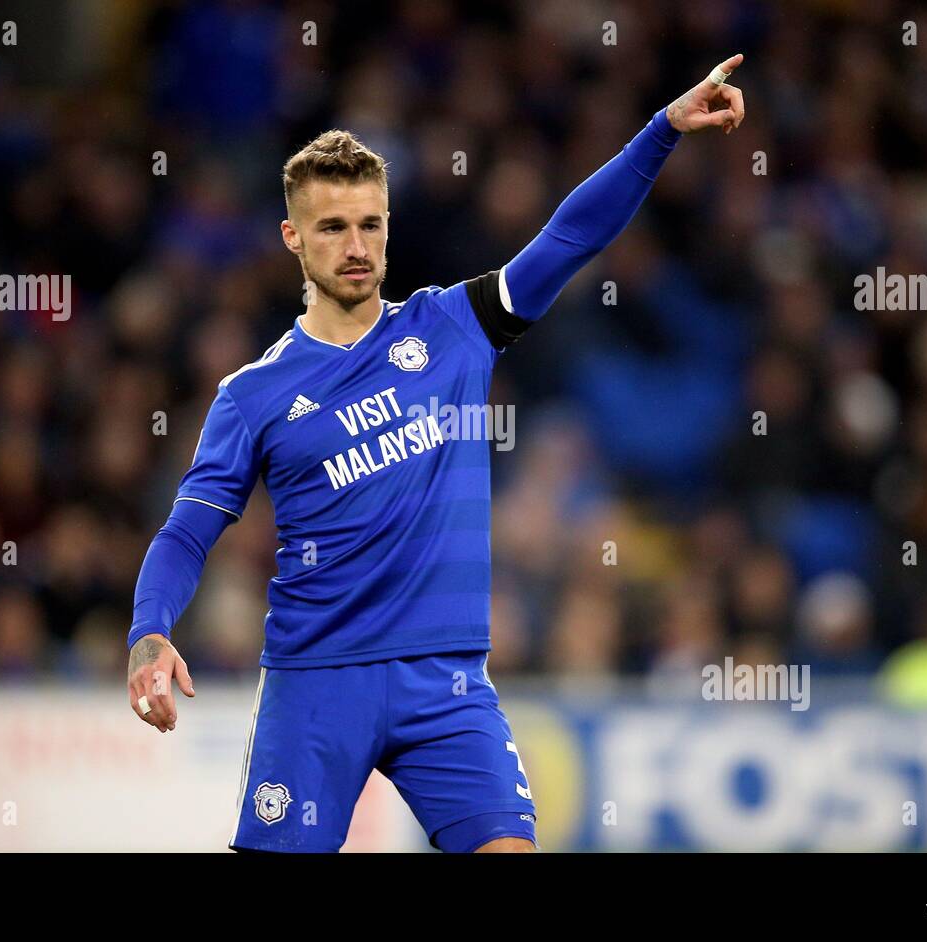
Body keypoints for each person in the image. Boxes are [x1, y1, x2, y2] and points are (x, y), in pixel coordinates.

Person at [126, 56, 747, 853]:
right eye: (332, 227)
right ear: (292, 237)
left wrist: (661, 132)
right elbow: (186, 534)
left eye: (370, 224)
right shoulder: (253, 395)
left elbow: (571, 235)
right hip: (318, 684)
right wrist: (150, 632)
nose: (356, 246)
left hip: (446, 684)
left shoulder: (452, 329)